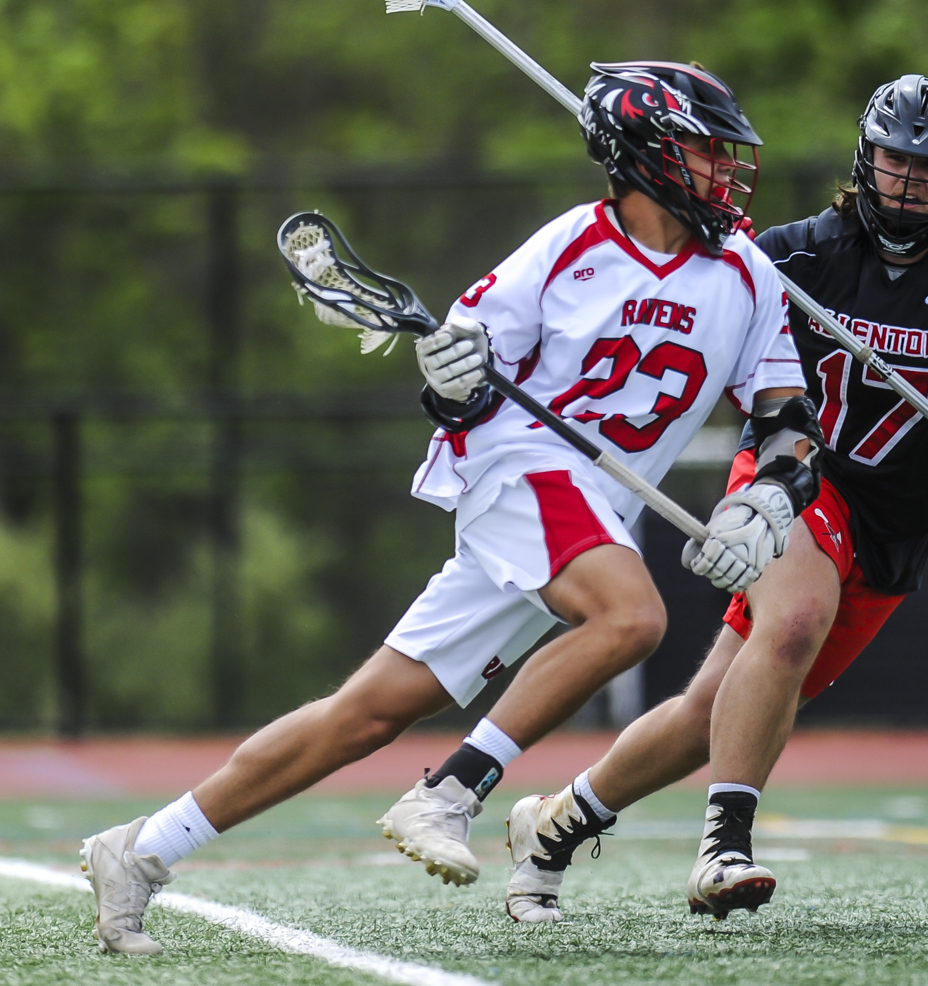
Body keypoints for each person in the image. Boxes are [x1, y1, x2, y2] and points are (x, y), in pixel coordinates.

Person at [77, 60, 819, 955]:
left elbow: (786, 419)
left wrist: (770, 498)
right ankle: (454, 789)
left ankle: (140, 851)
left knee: (367, 712)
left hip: (588, 515)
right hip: (519, 470)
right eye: (704, 149)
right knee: (633, 618)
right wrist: (453, 380)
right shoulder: (569, 246)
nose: (724, 168)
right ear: (643, 152)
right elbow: (462, 380)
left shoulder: (747, 272)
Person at [493, 75, 928, 924]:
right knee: (796, 619)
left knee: (712, 711)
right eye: (894, 160)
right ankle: (725, 847)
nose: (908, 181)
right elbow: (672, 298)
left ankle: (553, 823)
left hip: (893, 533)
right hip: (795, 478)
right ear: (864, 157)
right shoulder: (797, 255)